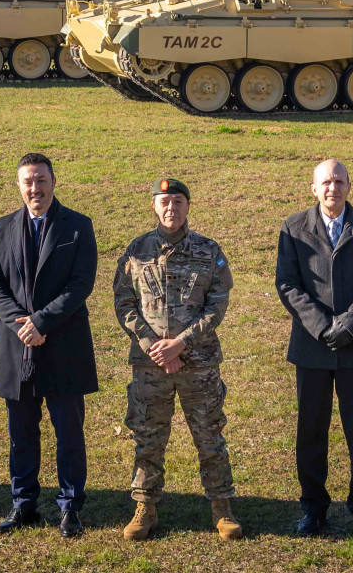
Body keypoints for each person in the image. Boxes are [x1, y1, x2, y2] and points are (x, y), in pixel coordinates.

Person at [113, 178, 241, 543]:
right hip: (149, 364)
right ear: (154, 206)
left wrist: (181, 343)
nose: (172, 208)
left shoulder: (207, 250)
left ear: (188, 206)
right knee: (148, 437)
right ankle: (145, 508)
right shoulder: (136, 251)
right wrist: (153, 344)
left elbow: (217, 305)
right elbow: (124, 303)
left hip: (198, 363)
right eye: (165, 201)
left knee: (210, 435)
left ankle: (222, 506)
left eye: (179, 201)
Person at [0, 152, 99, 539]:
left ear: (53, 182)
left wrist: (41, 322)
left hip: (62, 344)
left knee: (68, 433)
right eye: (28, 181)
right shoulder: (2, 227)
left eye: (41, 180)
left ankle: (69, 508)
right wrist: (21, 323)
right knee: (21, 434)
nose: (35, 188)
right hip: (18, 347)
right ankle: (24, 504)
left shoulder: (79, 226)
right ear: (19, 186)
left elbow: (81, 284)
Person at [275, 158, 353, 541]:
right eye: (325, 182)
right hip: (312, 348)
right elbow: (287, 284)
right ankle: (313, 509)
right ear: (313, 188)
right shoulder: (293, 228)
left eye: (339, 181)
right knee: (310, 431)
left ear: (349, 186)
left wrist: (350, 324)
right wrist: (322, 326)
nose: (332, 188)